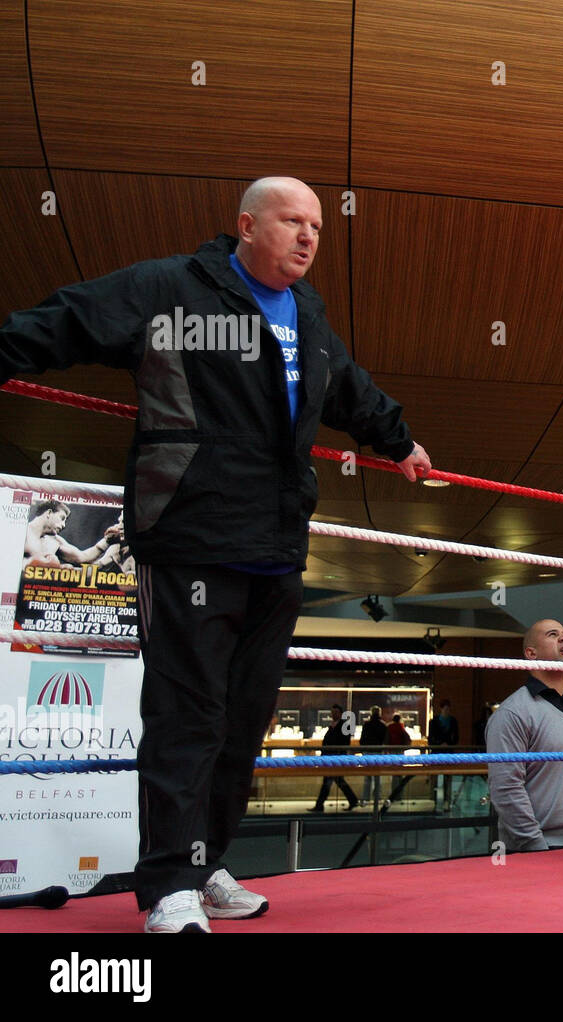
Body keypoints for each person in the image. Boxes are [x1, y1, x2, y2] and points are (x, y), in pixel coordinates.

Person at [0, 176, 432, 933]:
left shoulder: (308, 310)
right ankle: (167, 884)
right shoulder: (172, 288)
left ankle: (204, 863)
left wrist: (397, 441)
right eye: (291, 222)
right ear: (246, 225)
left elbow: (345, 387)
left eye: (318, 227)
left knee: (243, 720)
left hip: (275, 546)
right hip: (192, 537)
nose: (308, 237)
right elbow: (66, 320)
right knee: (186, 713)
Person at [485, 620, 563, 851]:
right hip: (535, 851)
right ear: (531, 653)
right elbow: (506, 787)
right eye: (552, 635)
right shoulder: (512, 712)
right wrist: (536, 845)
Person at [23, 499, 123, 568]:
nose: (63, 525)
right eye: (62, 518)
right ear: (49, 513)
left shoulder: (55, 540)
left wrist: (107, 541)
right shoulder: (23, 531)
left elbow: (82, 558)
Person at [311, 705, 359, 812]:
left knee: (328, 782)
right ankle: (353, 800)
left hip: (335, 758)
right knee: (338, 781)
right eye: (332, 712)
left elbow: (344, 742)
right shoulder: (334, 726)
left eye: (336, 712)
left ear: (340, 714)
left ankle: (319, 805)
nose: (333, 714)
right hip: (331, 758)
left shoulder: (342, 726)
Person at [359, 705, 388, 806]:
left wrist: (362, 748)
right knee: (378, 776)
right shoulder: (383, 725)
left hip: (367, 751)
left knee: (367, 776)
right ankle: (377, 797)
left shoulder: (367, 725)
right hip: (379, 752)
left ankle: (366, 798)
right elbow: (385, 740)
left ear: (371, 713)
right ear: (379, 713)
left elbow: (362, 740)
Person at [386, 711, 412, 803]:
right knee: (400, 773)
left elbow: (386, 739)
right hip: (400, 751)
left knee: (394, 773)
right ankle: (399, 795)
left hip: (392, 751)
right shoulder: (401, 727)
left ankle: (393, 794)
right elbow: (407, 738)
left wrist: (386, 750)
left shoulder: (389, 727)